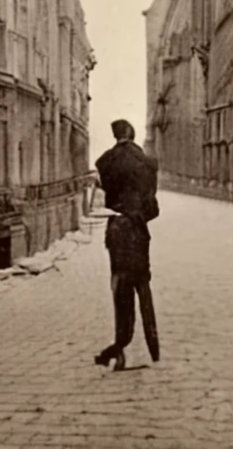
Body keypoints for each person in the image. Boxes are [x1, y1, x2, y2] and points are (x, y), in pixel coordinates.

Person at [93, 119, 160, 371]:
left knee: (120, 287)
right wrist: (140, 213)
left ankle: (119, 347)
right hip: (137, 231)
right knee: (142, 284)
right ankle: (151, 345)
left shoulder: (105, 162)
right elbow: (152, 208)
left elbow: (105, 198)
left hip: (116, 231)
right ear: (131, 134)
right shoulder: (146, 162)